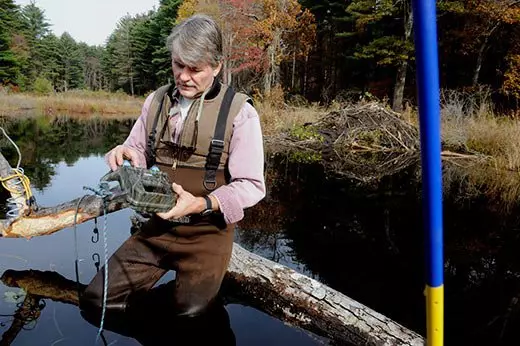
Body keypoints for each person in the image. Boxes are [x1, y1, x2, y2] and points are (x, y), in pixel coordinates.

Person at [78, 13, 265, 324]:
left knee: (188, 316)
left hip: (206, 235)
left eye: (195, 69)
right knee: (95, 302)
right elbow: (138, 151)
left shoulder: (241, 113)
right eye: (179, 65)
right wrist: (126, 153)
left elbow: (251, 185)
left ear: (217, 66)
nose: (184, 76)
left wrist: (203, 203)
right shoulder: (156, 101)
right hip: (156, 230)